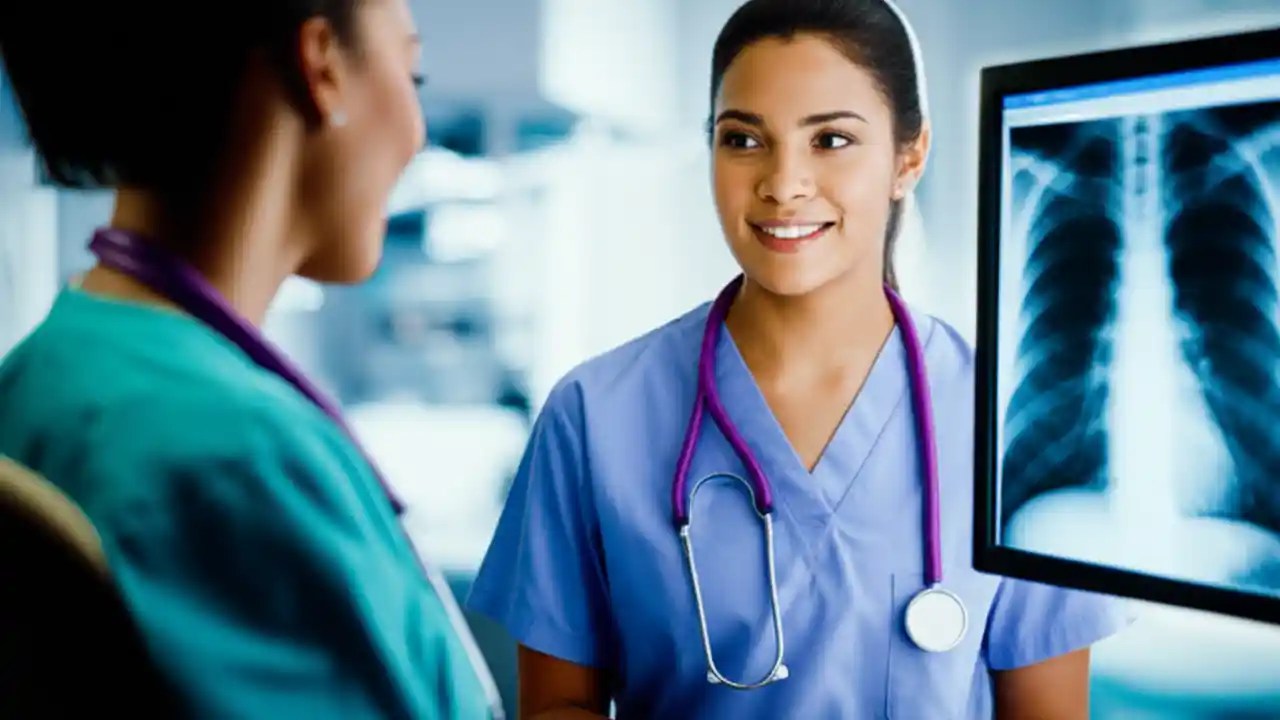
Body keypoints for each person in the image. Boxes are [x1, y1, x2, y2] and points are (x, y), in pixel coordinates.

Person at [464, 0, 1131, 717]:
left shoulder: (1009, 419)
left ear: (909, 157)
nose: (783, 183)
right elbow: (558, 705)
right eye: (744, 140)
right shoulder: (595, 415)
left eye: (832, 140)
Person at [0, 2, 502, 717]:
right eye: (411, 73)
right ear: (321, 63)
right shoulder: (241, 458)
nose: (417, 134)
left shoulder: (38, 374)